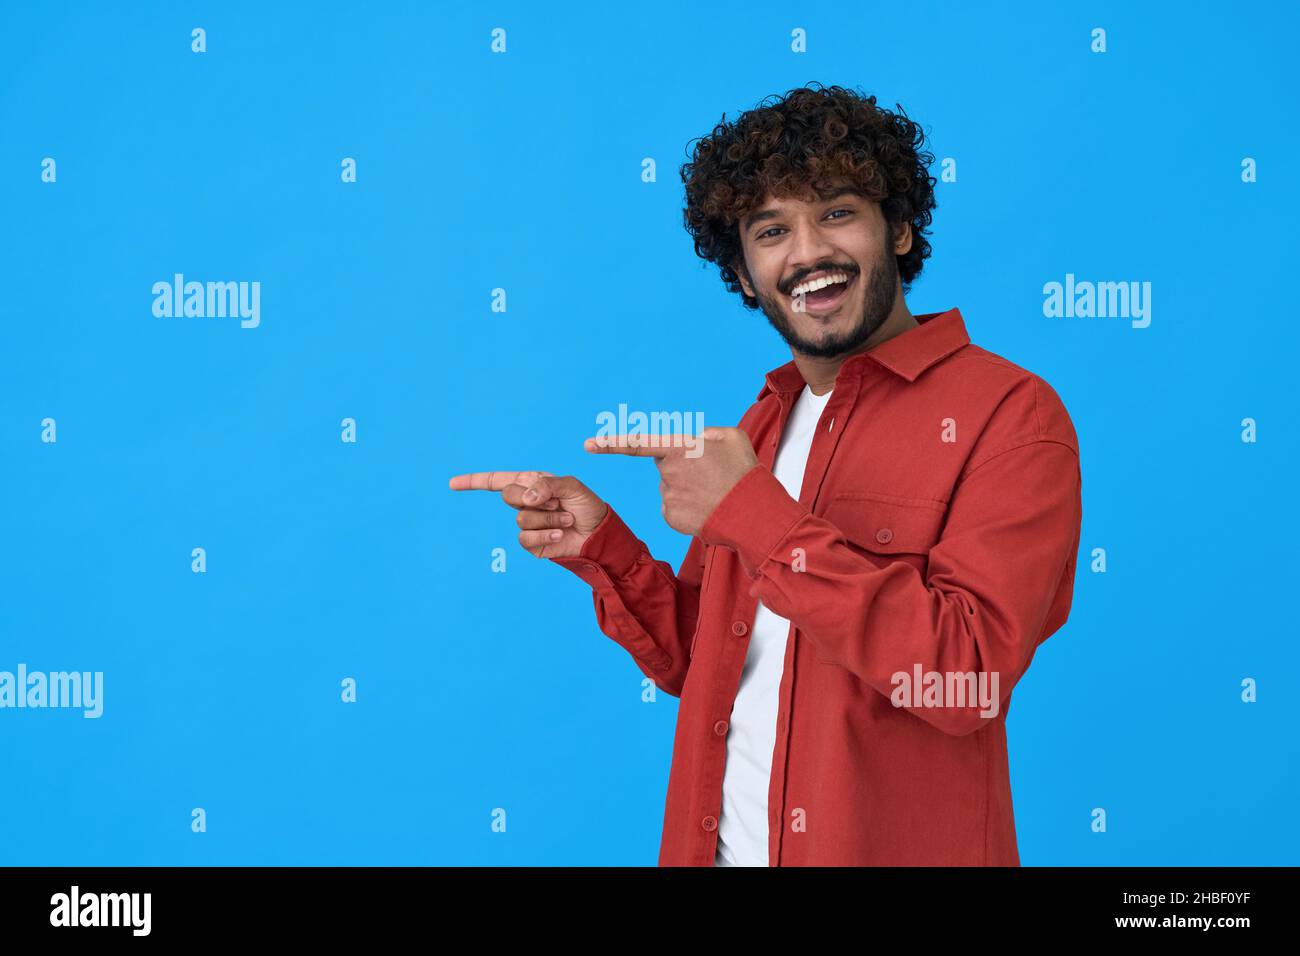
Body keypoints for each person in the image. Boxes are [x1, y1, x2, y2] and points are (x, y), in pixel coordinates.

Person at [450, 83, 1082, 866]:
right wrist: (604, 548)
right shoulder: (762, 425)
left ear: (903, 231)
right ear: (746, 275)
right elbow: (703, 658)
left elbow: (965, 676)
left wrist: (754, 514)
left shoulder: (1012, 413)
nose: (808, 251)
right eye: (772, 229)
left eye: (838, 213)